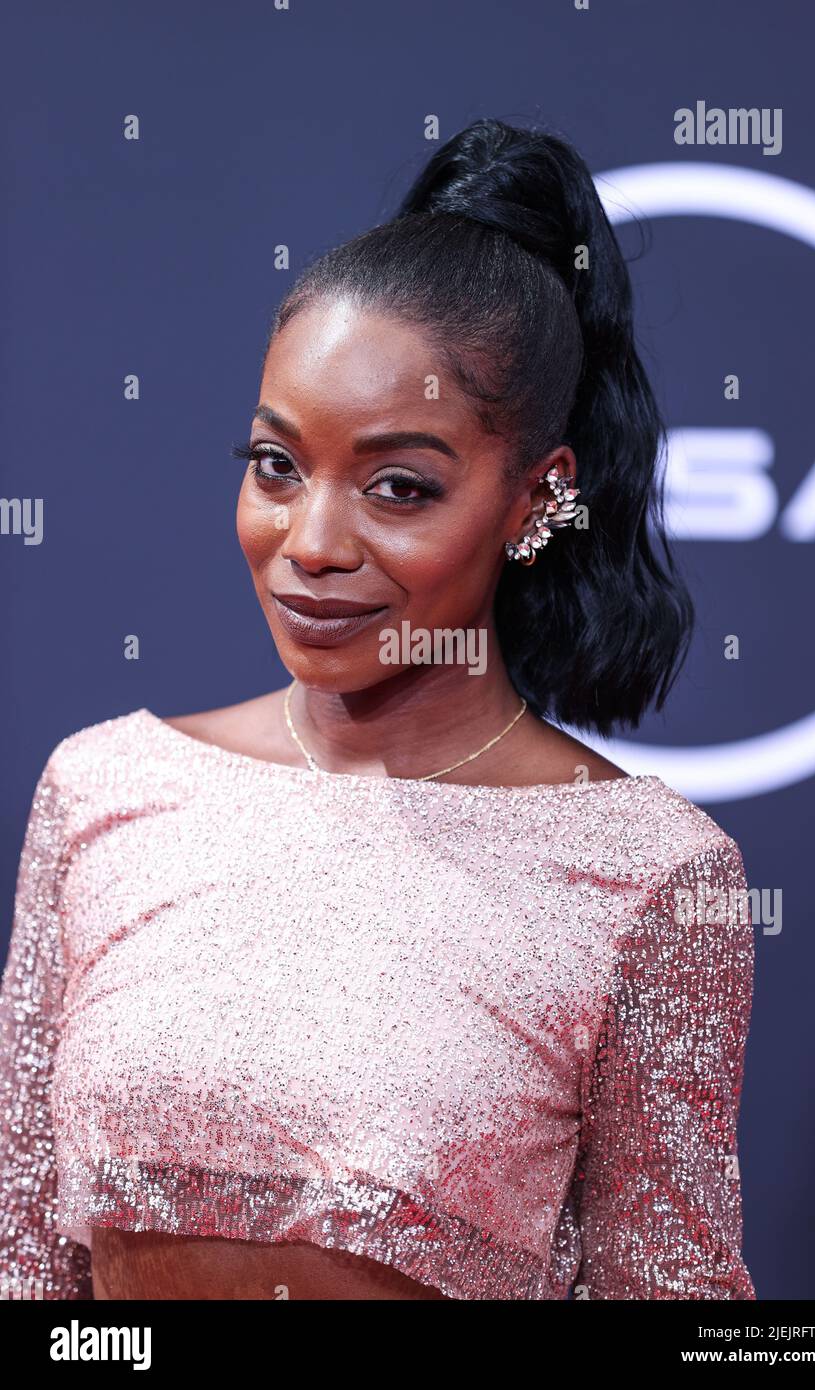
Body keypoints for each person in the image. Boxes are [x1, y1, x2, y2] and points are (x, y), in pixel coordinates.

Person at [0, 118, 755, 1301]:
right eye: (275, 465)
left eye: (399, 486)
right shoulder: (104, 790)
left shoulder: (648, 873)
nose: (310, 545)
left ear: (535, 500)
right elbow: (28, 1271)